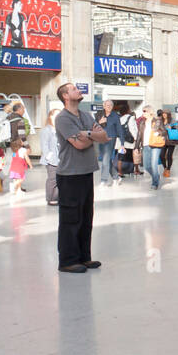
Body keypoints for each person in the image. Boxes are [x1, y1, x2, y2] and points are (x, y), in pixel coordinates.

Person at [53, 83, 108, 273]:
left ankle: (84, 257)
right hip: (69, 175)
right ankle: (68, 260)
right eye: (74, 89)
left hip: (86, 171)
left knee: (86, 217)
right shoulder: (62, 119)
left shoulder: (85, 115)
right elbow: (79, 145)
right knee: (70, 218)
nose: (79, 90)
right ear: (66, 96)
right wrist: (93, 136)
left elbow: (104, 136)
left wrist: (88, 134)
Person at [95, 98, 121, 188]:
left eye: (110, 105)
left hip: (111, 138)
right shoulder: (99, 114)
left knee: (105, 159)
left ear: (112, 107)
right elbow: (93, 126)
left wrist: (122, 142)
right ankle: (116, 177)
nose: (109, 107)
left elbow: (119, 129)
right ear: (104, 106)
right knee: (107, 160)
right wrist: (99, 123)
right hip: (101, 138)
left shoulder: (115, 116)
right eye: (107, 105)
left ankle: (103, 180)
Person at [40, 106, 61, 206]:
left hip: (60, 159)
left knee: (59, 179)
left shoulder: (60, 129)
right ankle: (51, 198)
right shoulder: (47, 130)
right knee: (52, 179)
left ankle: (57, 197)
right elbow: (44, 146)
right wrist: (49, 157)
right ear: (51, 117)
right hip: (51, 160)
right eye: (56, 115)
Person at [143, 105, 166, 190]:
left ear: (150, 112)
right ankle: (156, 176)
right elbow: (139, 134)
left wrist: (158, 133)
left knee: (153, 164)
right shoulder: (143, 122)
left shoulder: (157, 121)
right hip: (145, 145)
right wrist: (136, 146)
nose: (143, 113)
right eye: (143, 111)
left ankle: (155, 183)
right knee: (146, 166)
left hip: (155, 144)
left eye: (145, 111)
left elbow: (164, 131)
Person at [160, 110, 178, 177]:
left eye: (165, 113)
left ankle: (168, 169)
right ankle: (165, 167)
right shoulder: (161, 121)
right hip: (163, 140)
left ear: (168, 114)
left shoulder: (172, 121)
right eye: (163, 113)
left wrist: (172, 128)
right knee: (161, 155)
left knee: (169, 156)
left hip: (171, 140)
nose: (164, 115)